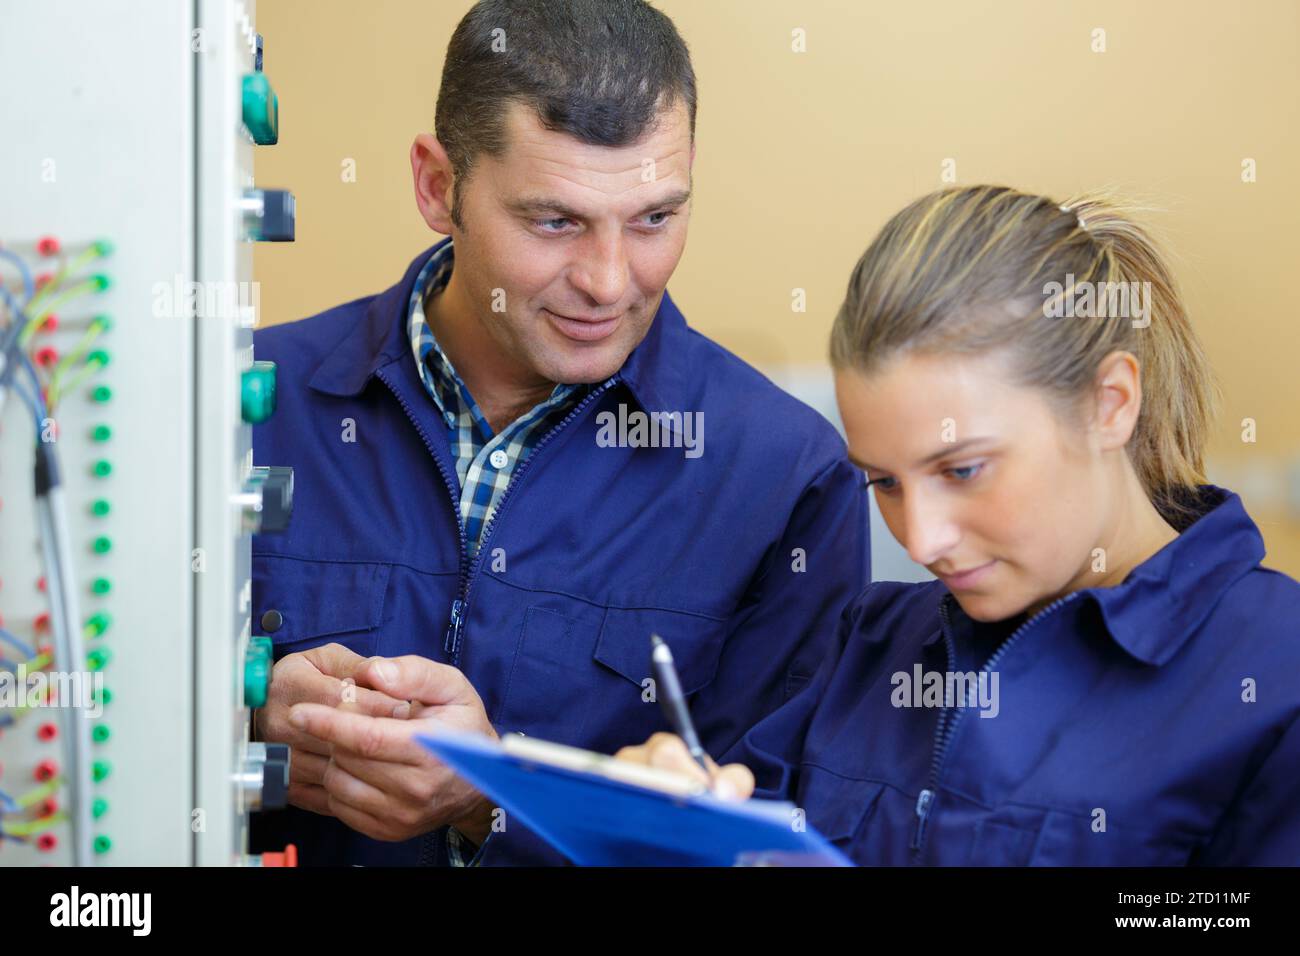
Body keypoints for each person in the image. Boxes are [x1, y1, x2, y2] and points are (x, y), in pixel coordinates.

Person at [249, 0, 868, 866]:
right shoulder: (244, 406)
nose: (610, 282)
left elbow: (776, 848)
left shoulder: (788, 479)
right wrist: (236, 713)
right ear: (438, 186)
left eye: (654, 218)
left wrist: (490, 799)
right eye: (555, 221)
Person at [617, 184, 1300, 865]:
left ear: (1109, 405)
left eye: (962, 470)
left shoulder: (1275, 675)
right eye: (884, 482)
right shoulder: (870, 646)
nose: (920, 542)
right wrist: (667, 830)